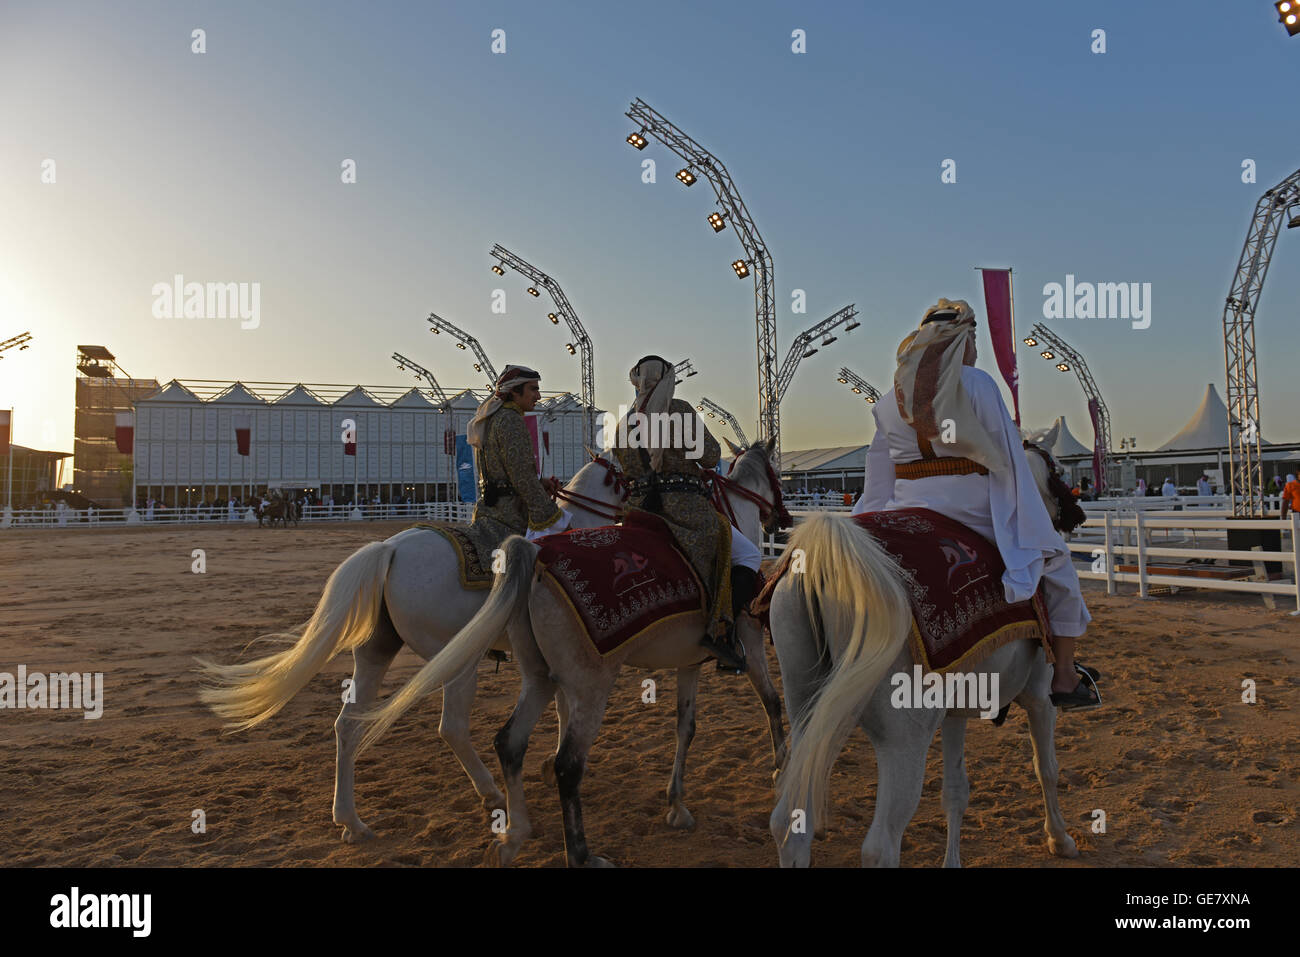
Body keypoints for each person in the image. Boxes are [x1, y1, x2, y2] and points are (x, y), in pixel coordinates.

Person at [852, 298, 1098, 710]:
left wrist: (868, 516)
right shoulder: (979, 383)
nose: (977, 349)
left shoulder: (887, 399)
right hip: (972, 510)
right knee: (1055, 562)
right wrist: (1029, 521)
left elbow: (878, 472)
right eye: (975, 338)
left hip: (904, 508)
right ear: (962, 340)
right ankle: (1065, 676)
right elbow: (1010, 460)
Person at [610, 355, 761, 674]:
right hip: (686, 512)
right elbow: (710, 457)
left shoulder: (624, 423)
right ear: (666, 381)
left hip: (639, 512)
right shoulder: (678, 410)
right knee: (749, 555)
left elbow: (624, 465)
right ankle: (724, 634)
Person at [467, 365, 570, 555]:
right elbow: (522, 477)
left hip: (489, 511)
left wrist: (541, 483)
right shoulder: (511, 419)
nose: (538, 396)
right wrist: (552, 515)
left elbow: (506, 472)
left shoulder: (492, 418)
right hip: (510, 515)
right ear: (515, 391)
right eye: (534, 389)